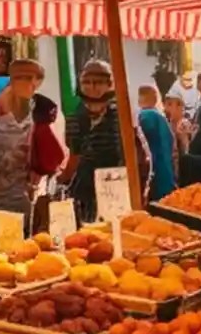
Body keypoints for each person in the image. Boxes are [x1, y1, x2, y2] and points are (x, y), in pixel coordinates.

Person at [60, 60, 152, 223]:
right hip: (86, 190)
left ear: (109, 84)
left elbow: (141, 156)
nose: (92, 87)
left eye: (98, 82)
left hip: (117, 187)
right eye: (87, 82)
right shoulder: (75, 117)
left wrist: (140, 189)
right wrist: (63, 180)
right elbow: (75, 156)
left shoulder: (123, 116)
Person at [0, 60, 46, 238]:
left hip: (18, 206)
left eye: (33, 80)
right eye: (22, 78)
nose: (30, 84)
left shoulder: (35, 116)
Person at [137, 85, 177, 201]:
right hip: (167, 174)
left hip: (153, 174)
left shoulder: (145, 117)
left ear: (140, 100)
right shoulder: (161, 118)